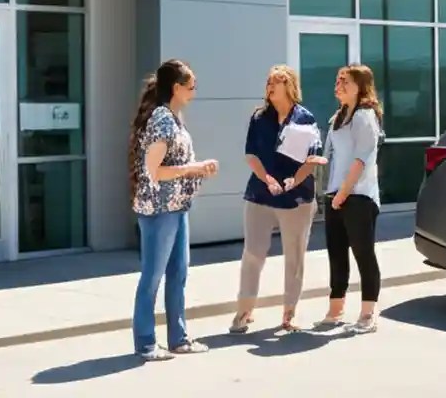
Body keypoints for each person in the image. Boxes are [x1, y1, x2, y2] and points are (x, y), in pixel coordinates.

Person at [128, 58, 218, 361]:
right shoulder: (163, 119)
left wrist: (194, 170)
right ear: (176, 88)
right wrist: (194, 168)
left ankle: (178, 339)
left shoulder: (173, 117)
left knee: (178, 273)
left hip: (177, 207)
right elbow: (155, 171)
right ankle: (146, 344)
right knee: (152, 277)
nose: (195, 89)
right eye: (191, 84)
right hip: (158, 210)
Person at [229, 65, 326, 334]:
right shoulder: (259, 118)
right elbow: (251, 154)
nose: (270, 85)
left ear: (289, 85)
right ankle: (244, 311)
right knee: (253, 254)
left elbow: (312, 157)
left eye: (277, 81)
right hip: (260, 195)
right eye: (269, 81)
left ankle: (289, 314)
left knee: (294, 258)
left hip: (297, 199)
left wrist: (295, 179)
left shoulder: (305, 118)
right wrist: (266, 178)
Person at [316, 64, 384, 334]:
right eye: (337, 80)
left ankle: (368, 314)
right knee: (336, 255)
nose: (339, 85)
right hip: (336, 194)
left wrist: (343, 193)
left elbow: (361, 159)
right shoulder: (338, 117)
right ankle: (335, 310)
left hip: (359, 196)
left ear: (361, 86)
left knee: (363, 254)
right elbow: (333, 157)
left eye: (346, 81)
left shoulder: (365, 116)